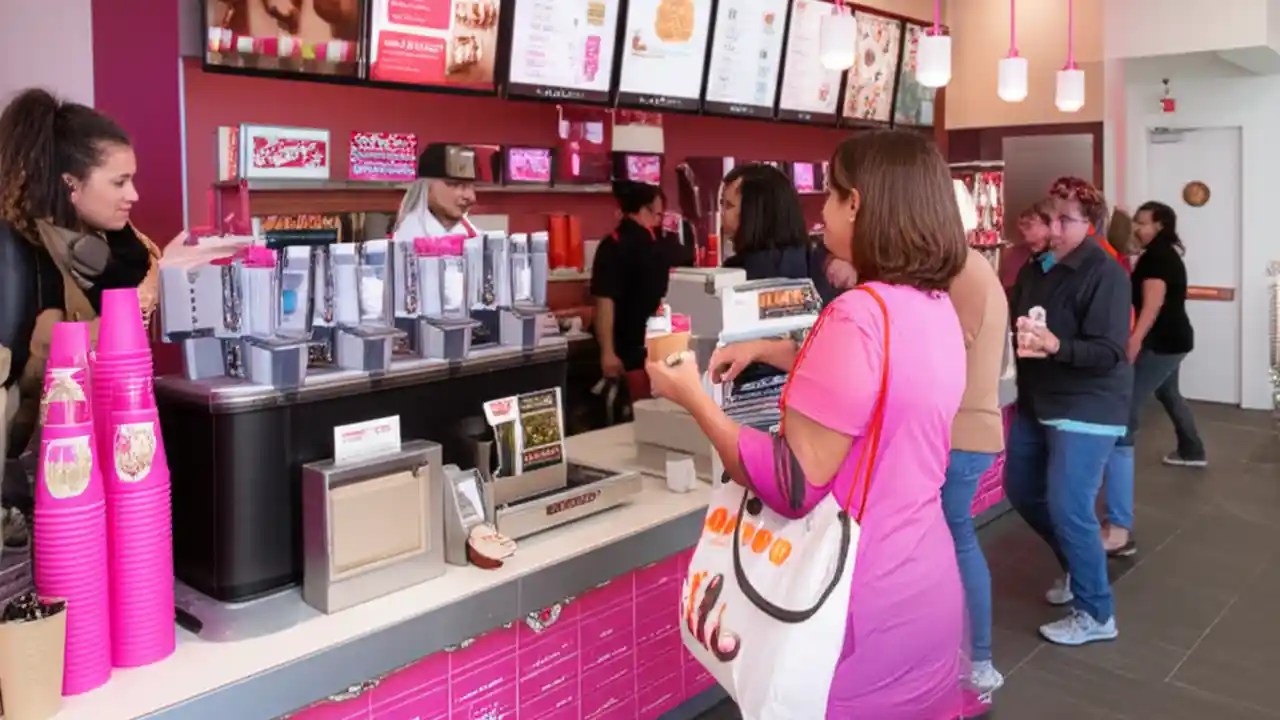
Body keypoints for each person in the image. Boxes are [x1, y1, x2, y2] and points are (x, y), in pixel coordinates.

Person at [646, 130, 969, 718]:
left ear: (861, 205)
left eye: (832, 193)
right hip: (924, 584)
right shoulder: (931, 306)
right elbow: (886, 387)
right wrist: (775, 350)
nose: (820, 211)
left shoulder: (859, 313)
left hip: (853, 602)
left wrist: (693, 396)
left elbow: (793, 485)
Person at [0, 88, 160, 514]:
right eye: (119, 182)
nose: (134, 195)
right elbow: (56, 359)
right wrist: (149, 291)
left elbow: (129, 275)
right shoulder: (29, 255)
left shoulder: (102, 250)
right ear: (71, 183)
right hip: (39, 479)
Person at [1007, 177, 1132, 647]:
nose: (1055, 228)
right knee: (1021, 489)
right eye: (1051, 216)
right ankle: (1080, 566)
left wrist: (1058, 346)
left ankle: (1097, 612)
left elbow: (1109, 351)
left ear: (1090, 224)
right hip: (1039, 400)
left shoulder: (1106, 273)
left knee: (1069, 506)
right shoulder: (1038, 267)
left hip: (1088, 404)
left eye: (1066, 220)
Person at [1101, 202, 1206, 553]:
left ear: (1160, 225)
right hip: (1174, 341)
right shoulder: (1159, 252)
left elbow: (1152, 304)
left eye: (1143, 223)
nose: (1137, 228)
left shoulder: (1158, 258)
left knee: (1126, 410)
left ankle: (1120, 524)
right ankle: (1192, 449)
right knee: (1169, 394)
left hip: (1162, 344)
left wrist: (1135, 339)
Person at [944, 246, 1009, 697]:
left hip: (959, 435)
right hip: (965, 433)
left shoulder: (963, 272)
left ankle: (977, 660)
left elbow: (943, 350)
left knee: (956, 537)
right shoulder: (971, 267)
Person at [590, 180, 683, 400]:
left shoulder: (612, 245)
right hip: (642, 351)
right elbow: (605, 302)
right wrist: (608, 353)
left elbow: (604, 300)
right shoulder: (642, 246)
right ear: (643, 211)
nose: (660, 221)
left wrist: (608, 353)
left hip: (634, 349)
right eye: (658, 215)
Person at [719, 163, 842, 301]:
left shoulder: (738, 276)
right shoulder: (820, 263)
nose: (722, 213)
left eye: (729, 205)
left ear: (756, 212)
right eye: (722, 203)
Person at [392, 143, 480, 241]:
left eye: (473, 187)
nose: (471, 197)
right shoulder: (407, 240)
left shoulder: (474, 237)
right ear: (426, 187)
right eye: (455, 185)